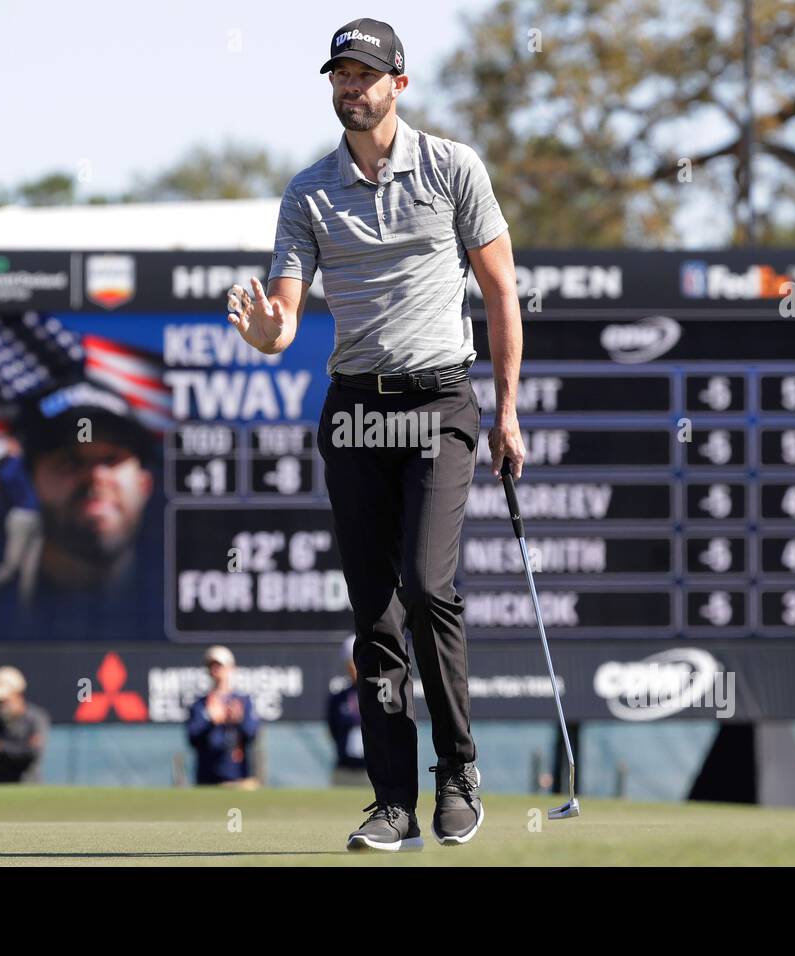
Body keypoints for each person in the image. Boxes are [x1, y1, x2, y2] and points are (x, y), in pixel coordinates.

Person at [226, 17, 526, 851]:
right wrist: (265, 334)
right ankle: (392, 801)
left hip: (440, 404)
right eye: (339, 76)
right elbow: (284, 317)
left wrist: (505, 410)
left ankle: (458, 772)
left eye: (365, 75)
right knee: (374, 617)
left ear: (399, 83)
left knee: (428, 589)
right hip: (355, 407)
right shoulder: (308, 191)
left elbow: (501, 292)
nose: (350, 88)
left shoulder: (452, 167)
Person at [0, 379, 159, 640]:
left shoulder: (180, 598)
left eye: (111, 460)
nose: (95, 477)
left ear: (145, 483)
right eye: (71, 462)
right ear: (33, 478)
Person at [186, 646, 260, 786]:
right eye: (212, 666)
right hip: (206, 777)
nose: (216, 670)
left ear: (231, 668)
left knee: (234, 809)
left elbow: (252, 733)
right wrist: (210, 719)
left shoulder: (243, 701)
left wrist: (239, 720)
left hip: (236, 775)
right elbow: (192, 737)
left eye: (220, 665)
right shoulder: (200, 704)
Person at [0, 666, 50, 783]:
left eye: (3, 700)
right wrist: (18, 748)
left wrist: (1, 748)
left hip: (29, 789)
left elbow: (32, 754)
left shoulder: (35, 718)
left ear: (18, 695)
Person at [327, 635, 369, 787]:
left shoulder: (381, 694)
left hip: (374, 770)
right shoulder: (339, 698)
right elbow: (333, 729)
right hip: (345, 768)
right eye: (351, 663)